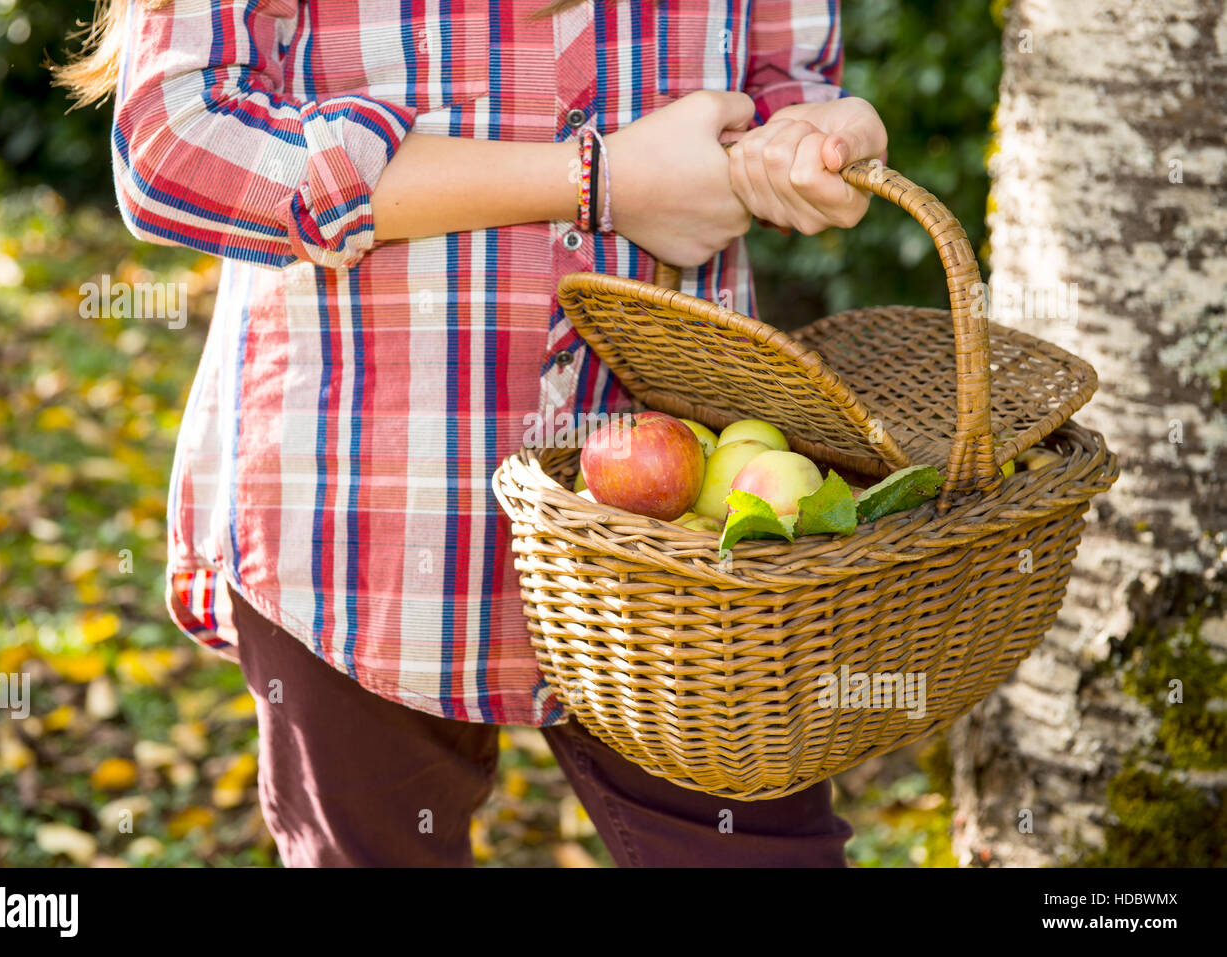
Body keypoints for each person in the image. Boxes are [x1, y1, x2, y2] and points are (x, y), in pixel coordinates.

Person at [57, 0, 887, 867]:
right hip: (360, 498)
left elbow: (782, 77)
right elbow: (174, 147)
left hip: (682, 521)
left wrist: (818, 132)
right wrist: (599, 179)